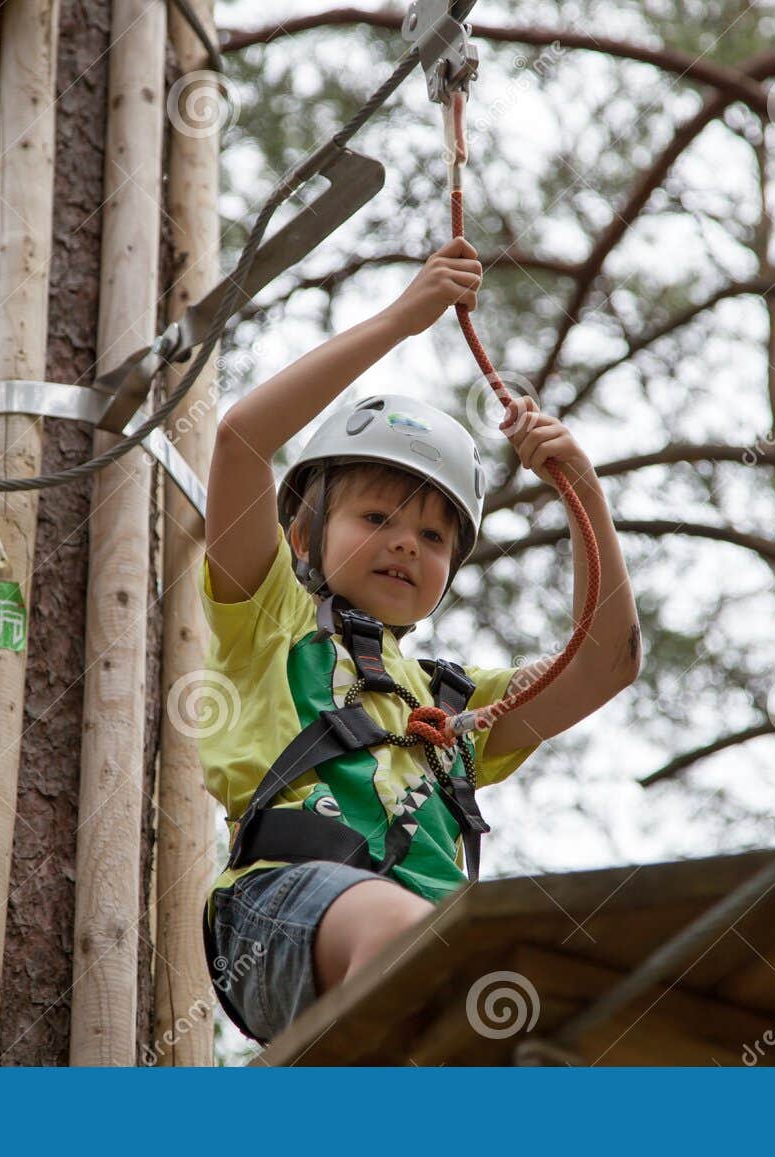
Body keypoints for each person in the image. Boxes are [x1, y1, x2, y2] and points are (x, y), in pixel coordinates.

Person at [199, 236, 641, 1045]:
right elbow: (241, 440)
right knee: (408, 943)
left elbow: (607, 661)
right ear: (303, 535)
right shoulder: (270, 615)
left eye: (435, 536)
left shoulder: (451, 702)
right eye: (376, 518)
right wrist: (401, 320)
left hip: (431, 949)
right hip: (277, 910)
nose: (407, 542)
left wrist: (583, 490)